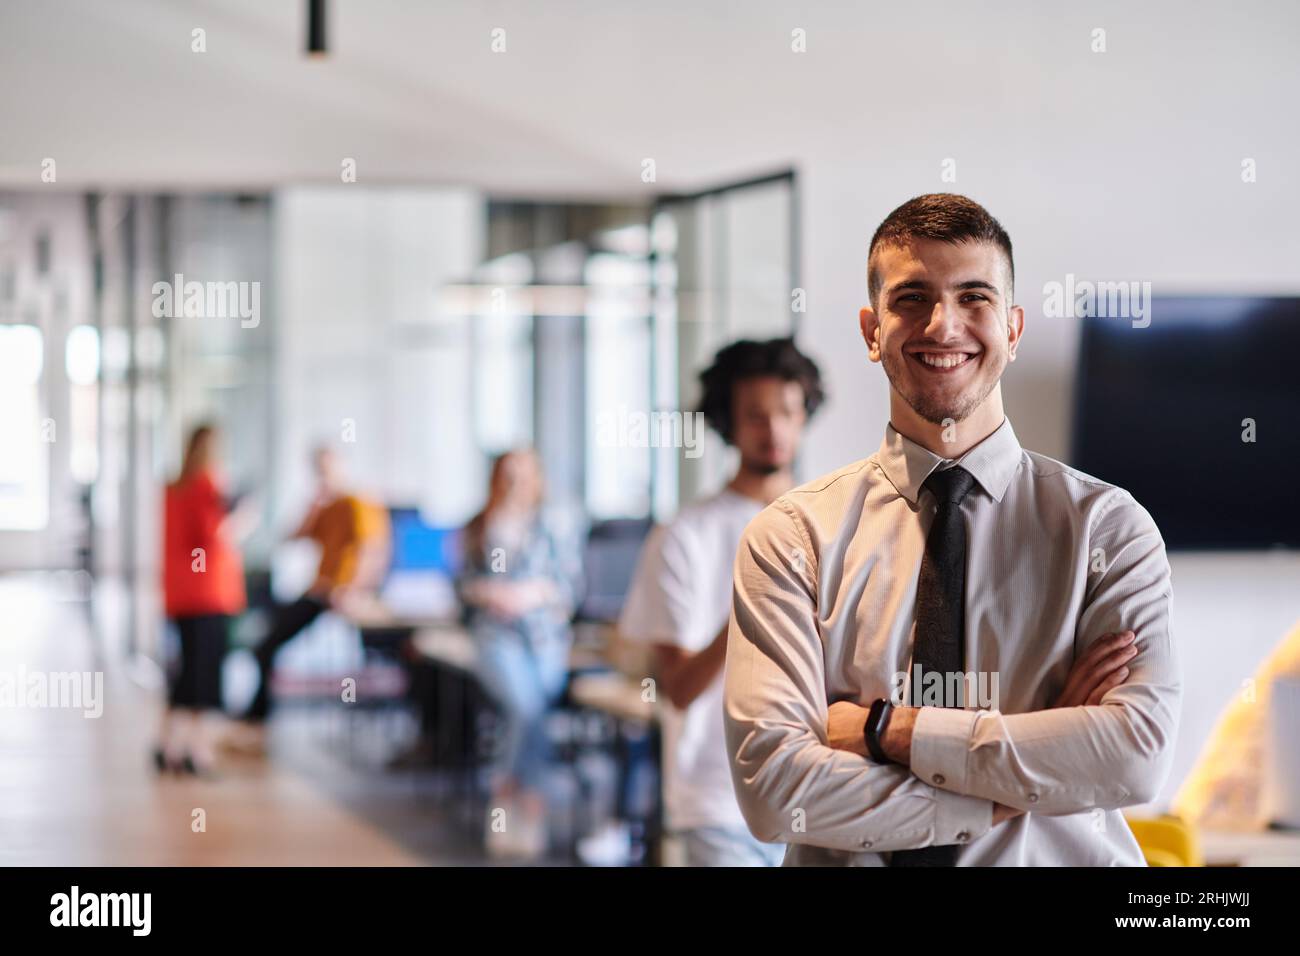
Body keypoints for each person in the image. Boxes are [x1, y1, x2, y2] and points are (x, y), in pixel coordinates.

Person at [724, 194, 1181, 866]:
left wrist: (886, 731)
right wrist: (1021, 776)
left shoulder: (1107, 530)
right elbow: (775, 789)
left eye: (975, 297)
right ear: (870, 329)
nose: (943, 326)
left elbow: (1135, 760)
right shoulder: (791, 538)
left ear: (1014, 328)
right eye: (912, 298)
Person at [618, 338, 824, 866]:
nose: (773, 429)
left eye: (785, 411)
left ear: (805, 416)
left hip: (820, 789)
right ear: (728, 423)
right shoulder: (685, 535)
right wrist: (752, 609)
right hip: (718, 799)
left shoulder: (833, 525)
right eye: (755, 415)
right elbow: (680, 689)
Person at [456, 449, 581, 861]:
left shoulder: (551, 525)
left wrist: (532, 595)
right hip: (497, 637)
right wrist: (491, 593)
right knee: (526, 707)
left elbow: (570, 586)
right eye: (508, 475)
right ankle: (525, 802)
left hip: (544, 639)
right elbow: (461, 586)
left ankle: (511, 796)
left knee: (531, 713)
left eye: (524, 475)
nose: (515, 483)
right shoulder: (479, 527)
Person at [239, 444, 391, 730]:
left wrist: (352, 589)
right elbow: (292, 537)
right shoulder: (326, 507)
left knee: (270, 644)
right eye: (318, 470)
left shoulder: (359, 502)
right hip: (321, 590)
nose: (323, 475)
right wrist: (311, 506)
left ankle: (258, 714)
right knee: (266, 644)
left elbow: (372, 550)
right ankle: (258, 712)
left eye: (327, 468)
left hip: (341, 593)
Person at [158, 423, 253, 775]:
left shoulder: (173, 488)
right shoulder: (208, 485)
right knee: (205, 676)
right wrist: (244, 518)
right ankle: (198, 751)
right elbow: (213, 538)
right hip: (209, 593)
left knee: (187, 672)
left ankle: (167, 744)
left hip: (181, 592)